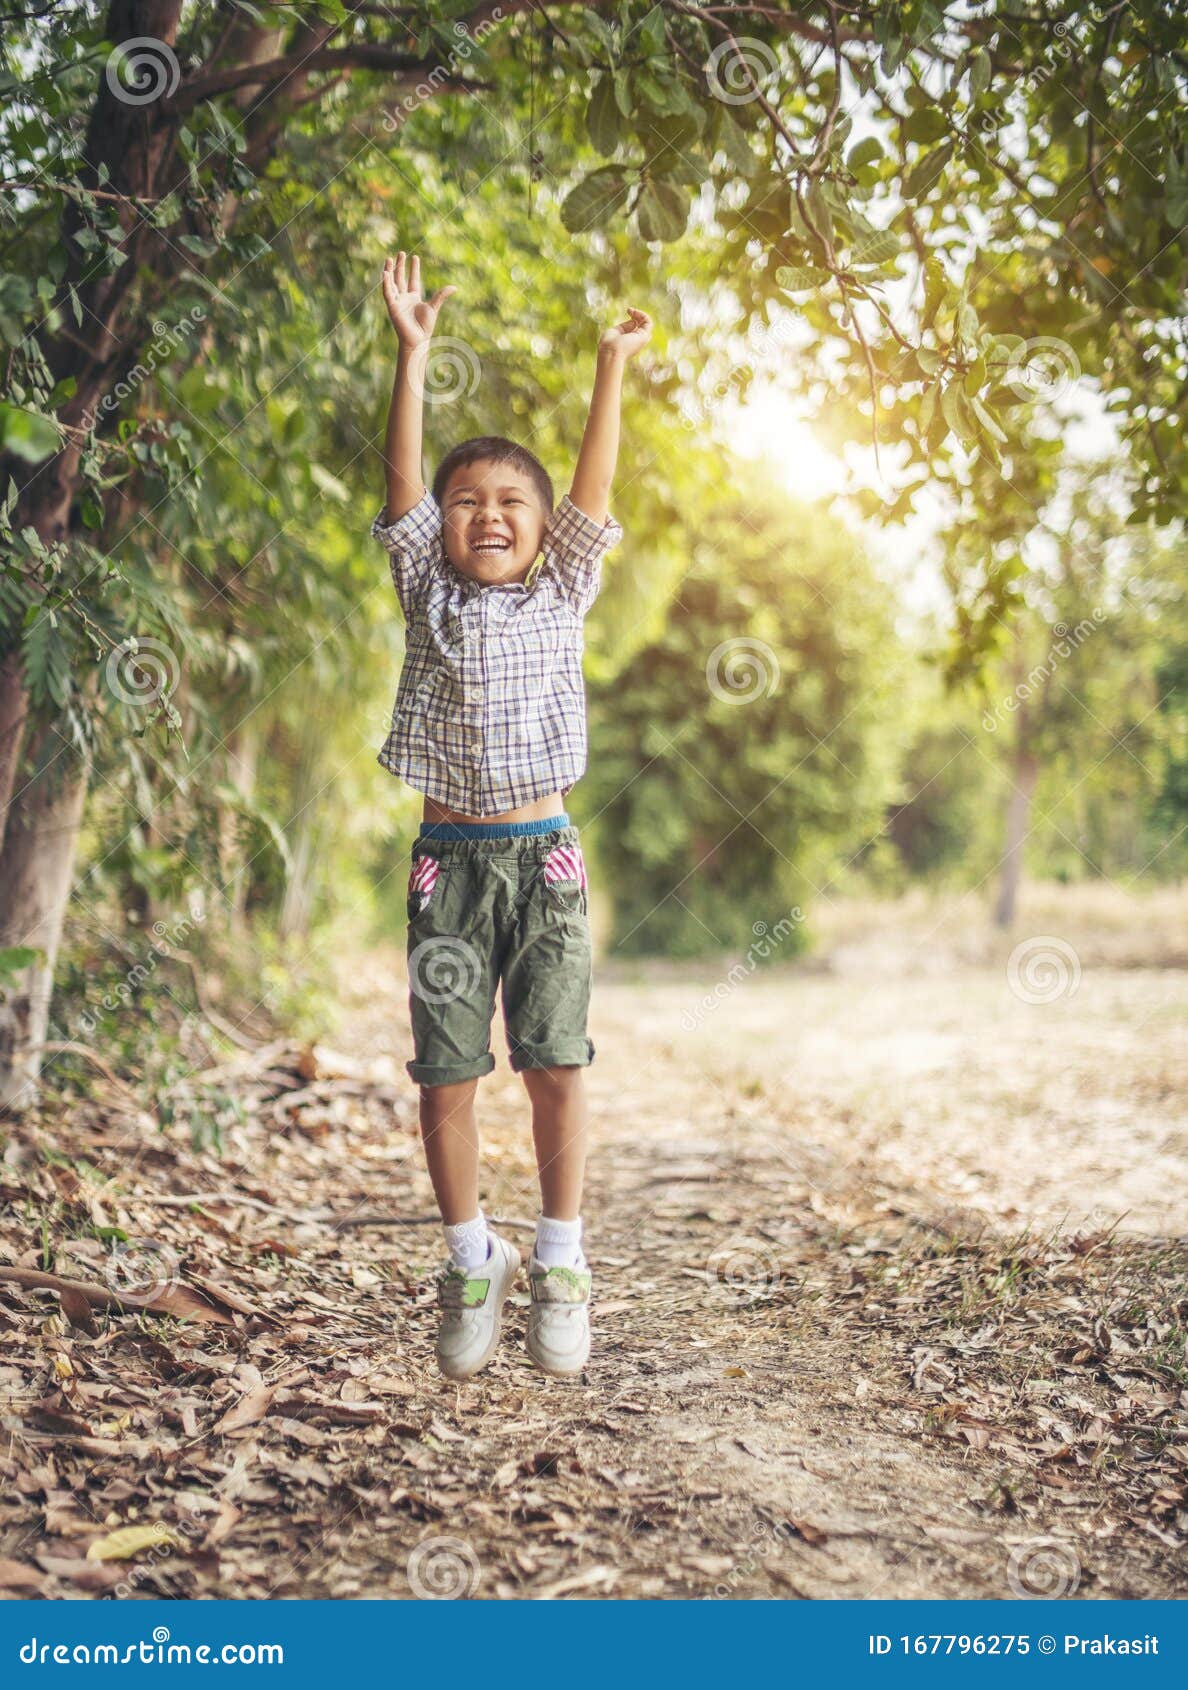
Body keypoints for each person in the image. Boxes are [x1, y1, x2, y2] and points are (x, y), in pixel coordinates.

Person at [372, 251, 651, 1381]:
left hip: (544, 863)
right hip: (448, 863)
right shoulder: (426, 592)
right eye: (467, 502)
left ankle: (561, 1257)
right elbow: (401, 487)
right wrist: (413, 356)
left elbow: (594, 488)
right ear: (442, 527)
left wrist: (609, 367)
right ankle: (469, 1256)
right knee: (446, 1071)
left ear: (542, 531)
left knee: (555, 1062)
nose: (488, 514)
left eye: (511, 503)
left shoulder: (563, 593)